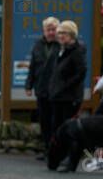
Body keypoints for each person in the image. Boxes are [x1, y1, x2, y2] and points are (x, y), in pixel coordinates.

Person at [24, 16, 60, 159]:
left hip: (57, 90)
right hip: (41, 88)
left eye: (53, 29)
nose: (51, 33)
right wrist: (28, 85)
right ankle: (47, 149)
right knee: (44, 121)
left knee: (55, 122)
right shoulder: (38, 45)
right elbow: (33, 66)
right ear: (44, 31)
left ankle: (56, 151)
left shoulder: (61, 45)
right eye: (48, 30)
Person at [47, 20, 87, 141]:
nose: (60, 36)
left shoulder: (77, 51)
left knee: (67, 128)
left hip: (69, 98)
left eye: (64, 33)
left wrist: (63, 86)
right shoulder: (60, 50)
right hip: (57, 96)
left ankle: (68, 155)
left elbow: (80, 73)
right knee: (56, 127)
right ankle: (57, 154)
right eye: (59, 33)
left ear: (72, 34)